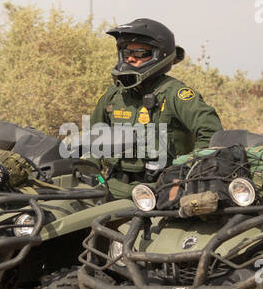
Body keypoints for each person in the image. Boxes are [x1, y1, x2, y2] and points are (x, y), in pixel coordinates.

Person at [89, 18, 222, 197]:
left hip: (163, 188)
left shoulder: (176, 93)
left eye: (140, 52)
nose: (130, 58)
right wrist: (92, 175)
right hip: (115, 187)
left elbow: (211, 131)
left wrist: (190, 171)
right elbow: (94, 136)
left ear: (159, 55)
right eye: (127, 51)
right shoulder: (114, 94)